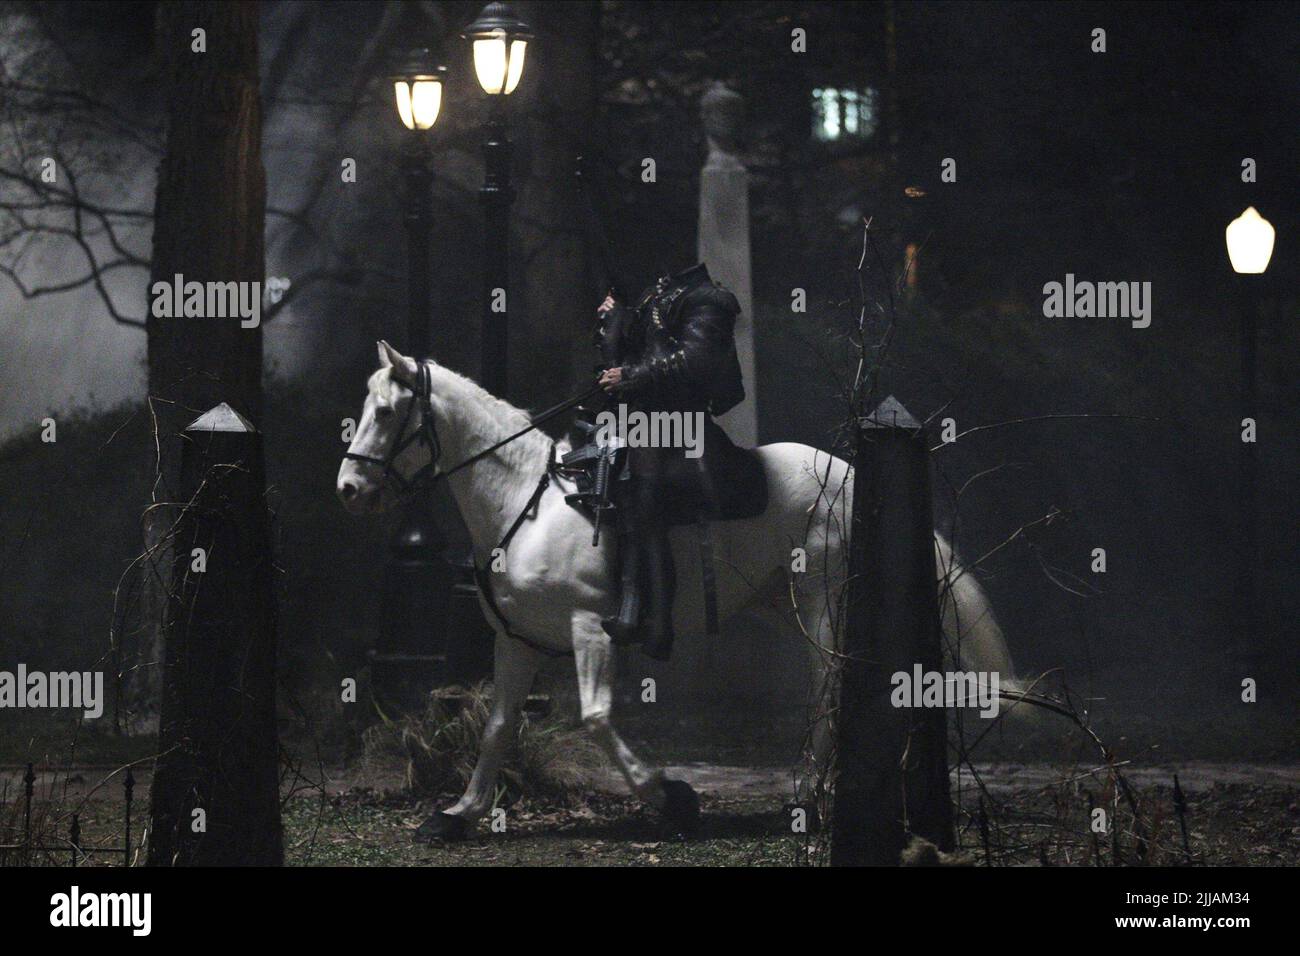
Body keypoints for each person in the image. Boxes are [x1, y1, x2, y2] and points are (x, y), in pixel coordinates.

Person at [594, 262, 746, 660]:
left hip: (686, 425)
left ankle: (659, 622)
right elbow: (618, 363)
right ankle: (618, 600)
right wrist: (613, 325)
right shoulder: (653, 297)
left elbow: (697, 361)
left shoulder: (709, 299)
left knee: (646, 492)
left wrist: (629, 374)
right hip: (645, 423)